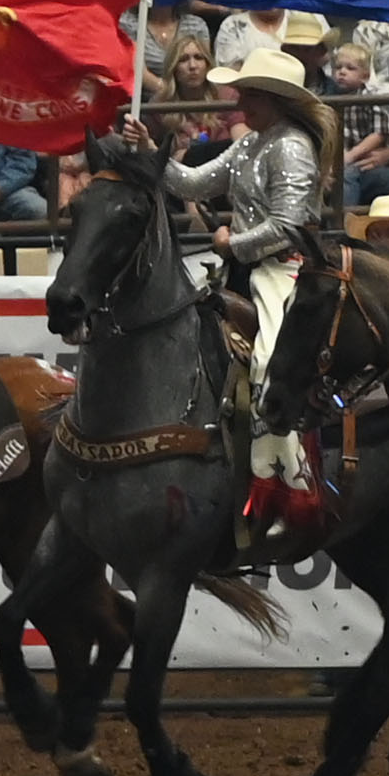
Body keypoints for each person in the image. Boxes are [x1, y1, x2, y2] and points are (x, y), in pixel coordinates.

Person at [146, 51, 338, 523]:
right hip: (245, 269)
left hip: (284, 271)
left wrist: (232, 243)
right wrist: (151, 152)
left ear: (273, 99)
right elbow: (194, 184)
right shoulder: (251, 143)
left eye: (249, 94)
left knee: (272, 362)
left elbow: (289, 226)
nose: (240, 102)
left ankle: (285, 480)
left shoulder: (290, 145)